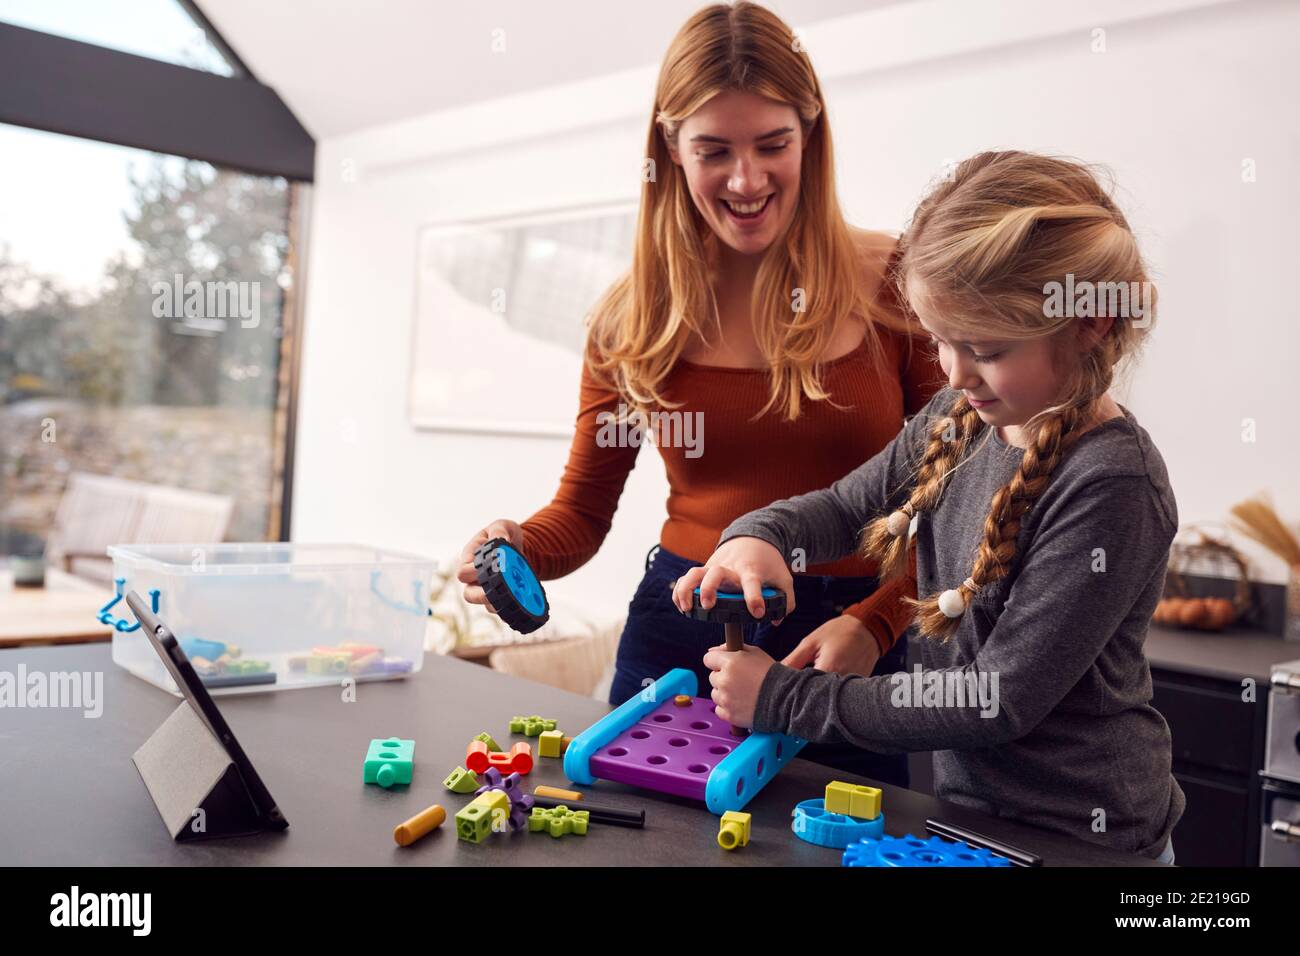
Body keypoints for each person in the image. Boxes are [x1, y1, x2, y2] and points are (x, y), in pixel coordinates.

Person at [458, 2, 944, 785]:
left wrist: (876, 624)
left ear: (811, 136)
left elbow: (949, 498)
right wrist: (517, 546)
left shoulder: (894, 281)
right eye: (714, 150)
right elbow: (581, 514)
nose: (746, 180)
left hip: (850, 646)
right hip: (677, 635)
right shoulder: (632, 317)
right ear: (670, 150)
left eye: (772, 145)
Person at [678, 150, 1184, 860]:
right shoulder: (963, 413)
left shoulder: (1111, 483)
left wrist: (785, 699)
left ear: (1090, 321)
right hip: (973, 818)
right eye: (942, 340)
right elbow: (843, 506)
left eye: (988, 347)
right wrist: (755, 537)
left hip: (1086, 841)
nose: (954, 371)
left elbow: (995, 698)